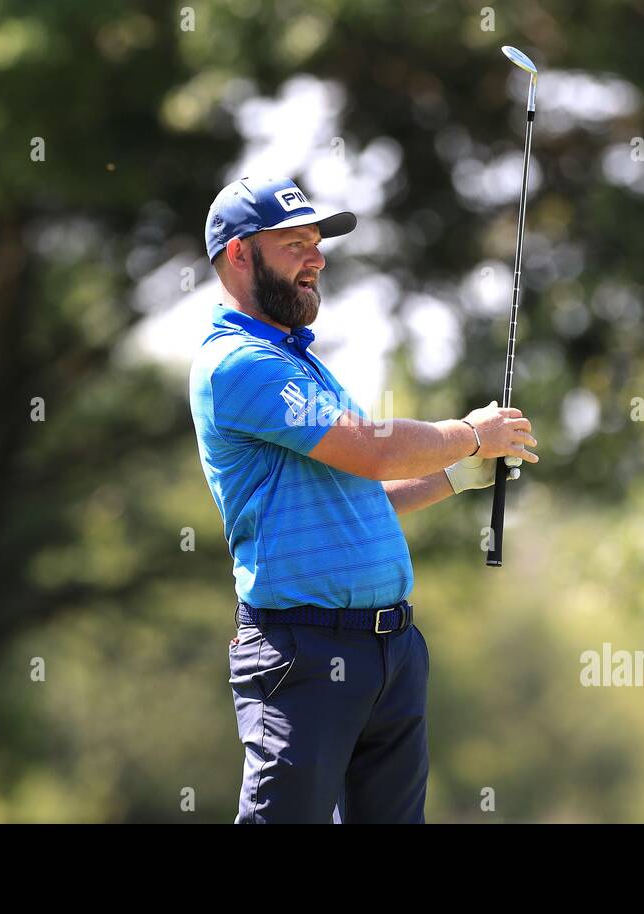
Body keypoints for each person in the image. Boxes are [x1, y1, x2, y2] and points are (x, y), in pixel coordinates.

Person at [188, 176, 539, 823]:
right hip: (302, 653)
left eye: (317, 244)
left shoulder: (300, 362)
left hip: (390, 652)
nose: (316, 259)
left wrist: (457, 475)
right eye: (295, 245)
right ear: (239, 254)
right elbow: (370, 449)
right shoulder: (237, 364)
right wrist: (470, 434)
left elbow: (357, 497)